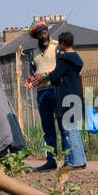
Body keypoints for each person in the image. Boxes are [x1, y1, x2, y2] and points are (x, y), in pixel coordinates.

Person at [37, 31, 87, 169]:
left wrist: (54, 75)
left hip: (65, 97)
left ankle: (74, 162)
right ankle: (81, 160)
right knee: (74, 129)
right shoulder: (77, 58)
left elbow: (53, 78)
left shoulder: (65, 60)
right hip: (75, 96)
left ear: (63, 44)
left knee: (68, 130)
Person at [25, 22, 60, 171]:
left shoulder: (57, 46)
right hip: (41, 92)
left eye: (44, 32)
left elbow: (63, 68)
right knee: (47, 128)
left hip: (56, 89)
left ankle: (70, 159)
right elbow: (33, 71)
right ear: (36, 36)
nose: (43, 35)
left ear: (47, 32)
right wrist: (32, 79)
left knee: (64, 125)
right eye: (40, 34)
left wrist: (45, 75)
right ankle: (51, 160)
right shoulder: (33, 52)